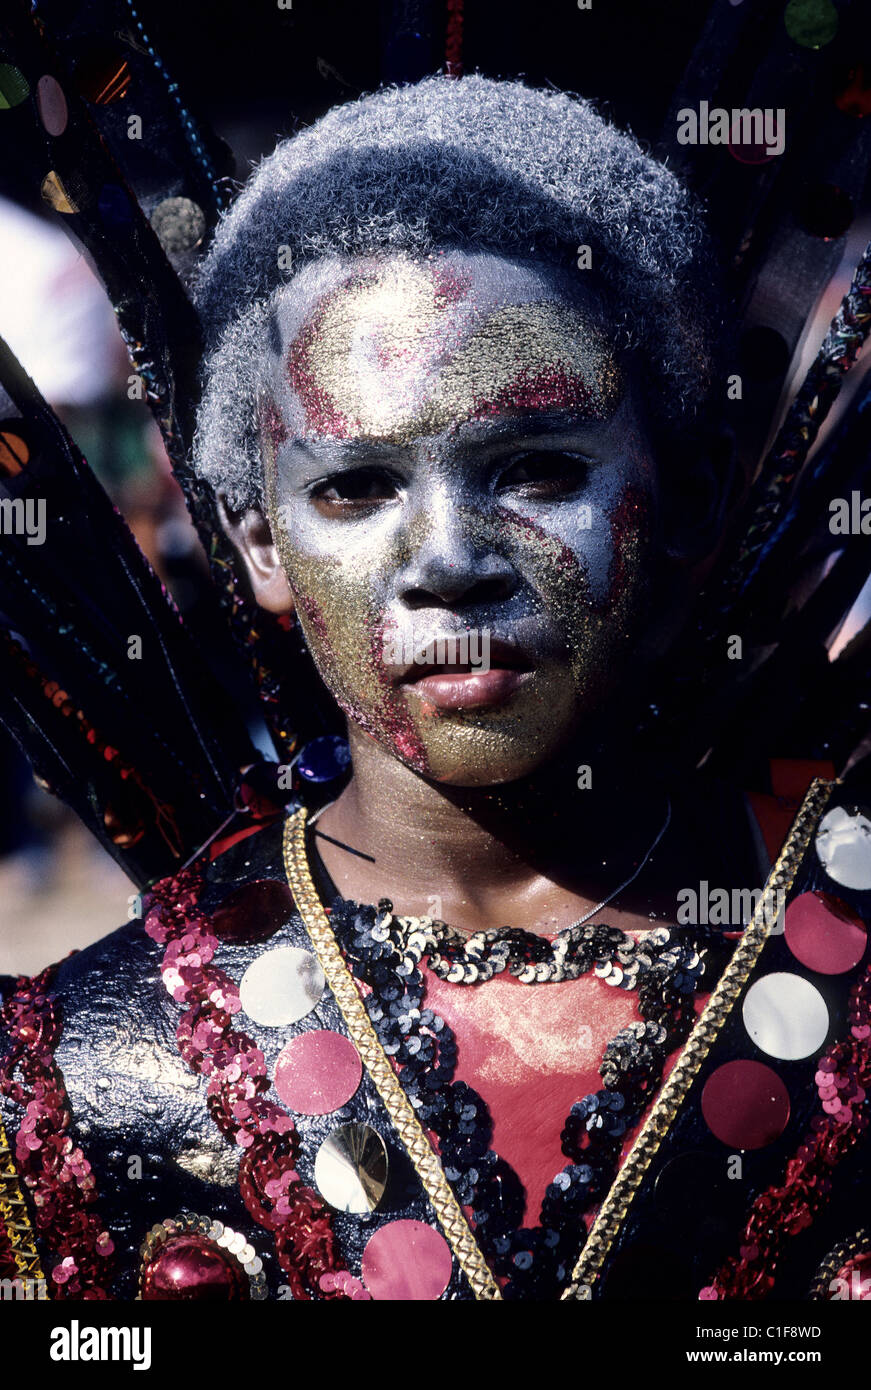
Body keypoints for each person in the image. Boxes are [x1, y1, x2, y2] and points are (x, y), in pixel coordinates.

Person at [1, 75, 868, 1303]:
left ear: (686, 494)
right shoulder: (89, 1082)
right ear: (256, 539)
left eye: (535, 466)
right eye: (354, 486)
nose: (449, 562)